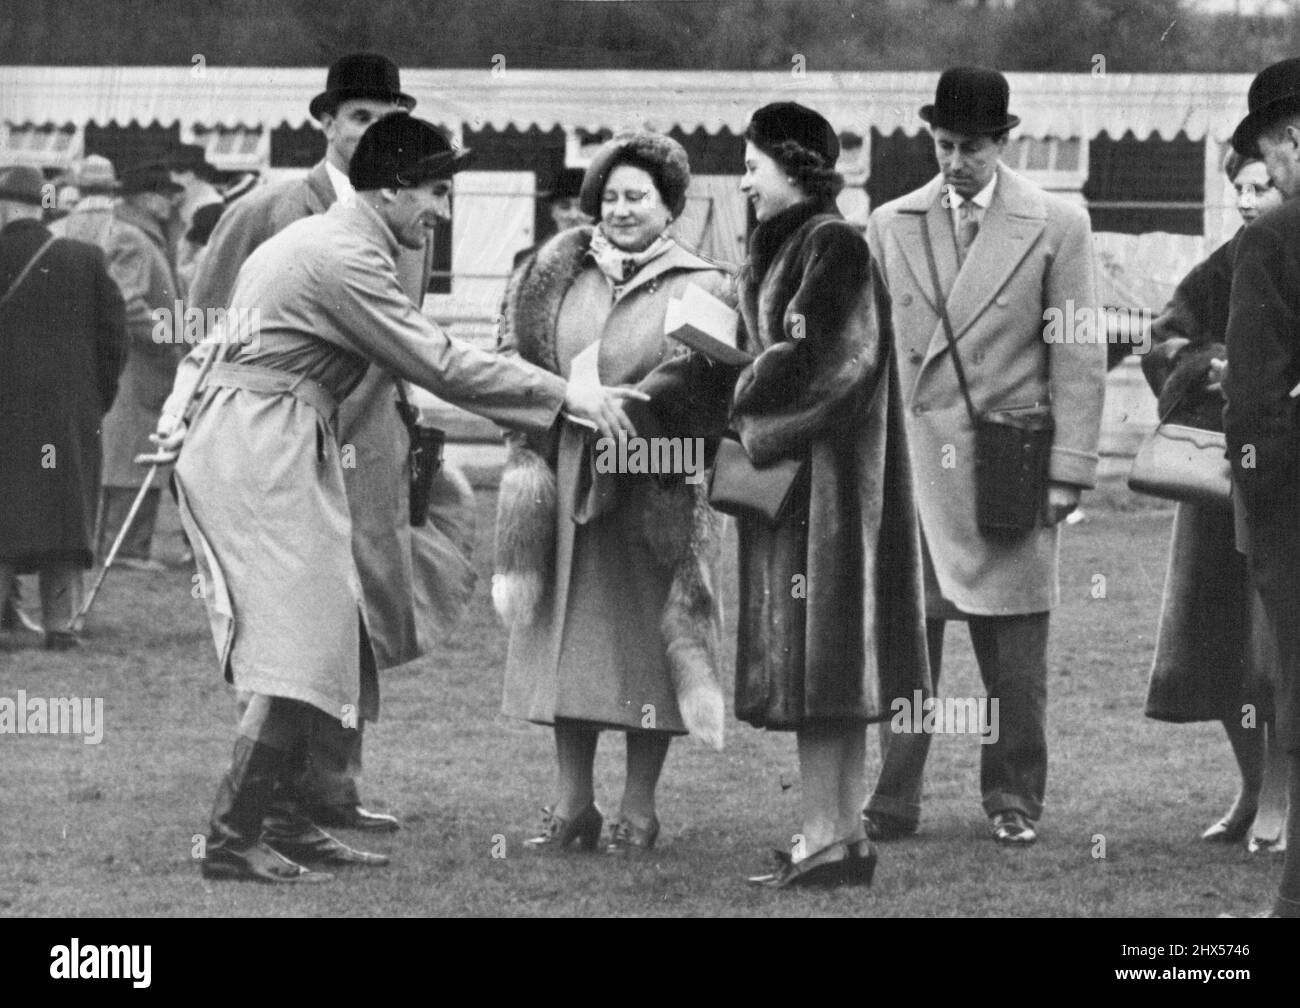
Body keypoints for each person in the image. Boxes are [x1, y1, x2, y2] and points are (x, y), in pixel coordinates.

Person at [153, 113, 639, 884]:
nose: (443, 212)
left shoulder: (330, 240)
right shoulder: (344, 255)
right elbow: (438, 361)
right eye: (435, 193)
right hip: (260, 443)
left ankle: (284, 822)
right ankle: (231, 835)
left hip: (266, 435)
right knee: (299, 642)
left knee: (331, 630)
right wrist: (568, 398)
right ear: (390, 190)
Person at [189, 53, 476, 835]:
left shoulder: (408, 211)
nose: (372, 130)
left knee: (357, 614)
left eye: (386, 118)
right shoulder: (278, 207)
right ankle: (266, 810)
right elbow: (210, 313)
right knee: (297, 621)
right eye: (358, 116)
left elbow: (406, 342)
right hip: (289, 436)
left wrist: (411, 424)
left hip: (371, 439)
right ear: (326, 122)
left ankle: (329, 787)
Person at [862, 67, 1106, 846]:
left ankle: (1012, 799)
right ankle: (894, 797)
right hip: (913, 470)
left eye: (970, 146)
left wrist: (1069, 467)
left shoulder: (1058, 225)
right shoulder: (888, 223)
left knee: (1016, 657)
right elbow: (868, 351)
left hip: (1010, 464)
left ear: (1004, 142)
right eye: (942, 144)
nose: (954, 160)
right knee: (908, 648)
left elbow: (1078, 350)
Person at [494, 132, 732, 855]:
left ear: (669, 209)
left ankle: (638, 807)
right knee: (566, 639)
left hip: (656, 477)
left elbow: (711, 379)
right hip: (564, 474)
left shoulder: (705, 282)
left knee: (645, 641)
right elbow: (512, 356)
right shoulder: (555, 272)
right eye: (613, 197)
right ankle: (571, 804)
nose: (623, 210)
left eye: (640, 197)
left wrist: (641, 410)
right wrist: (562, 402)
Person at [730, 103, 929, 888]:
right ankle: (841, 837)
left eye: (753, 166)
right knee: (834, 674)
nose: (744, 180)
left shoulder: (833, 243)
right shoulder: (794, 243)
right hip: (807, 490)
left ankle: (826, 835)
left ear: (792, 167)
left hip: (830, 498)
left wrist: (740, 384)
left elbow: (832, 363)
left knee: (824, 671)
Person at [1141, 149, 1288, 851]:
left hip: (1287, 483)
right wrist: (1211, 370)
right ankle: (1255, 786)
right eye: (1238, 187)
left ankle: (1283, 802)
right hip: (1220, 484)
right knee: (1223, 642)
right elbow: (1164, 337)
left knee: (1279, 652)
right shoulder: (1227, 264)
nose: (1248, 199)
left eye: (1261, 184)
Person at [1222, 55, 1300, 917]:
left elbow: (1253, 408)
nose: (1266, 178)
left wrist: (1264, 507)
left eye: (1268, 157)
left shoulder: (1272, 240)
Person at [0, 165, 127, 650]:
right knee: (63, 512)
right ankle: (61, 625)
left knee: (6, 506)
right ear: (41, 206)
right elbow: (114, 339)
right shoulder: (84, 258)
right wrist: (96, 398)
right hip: (67, 414)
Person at [94, 163, 186, 574]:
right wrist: (172, 342)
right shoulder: (134, 237)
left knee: (131, 457)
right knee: (134, 458)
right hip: (141, 368)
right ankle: (126, 552)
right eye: (166, 194)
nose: (171, 202)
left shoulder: (132, 232)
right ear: (148, 197)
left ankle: (121, 549)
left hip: (135, 369)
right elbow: (127, 304)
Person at [511, 166, 591, 269]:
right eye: (564, 207)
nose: (574, 215)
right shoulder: (528, 259)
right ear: (552, 211)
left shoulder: (610, 258)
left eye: (581, 207)